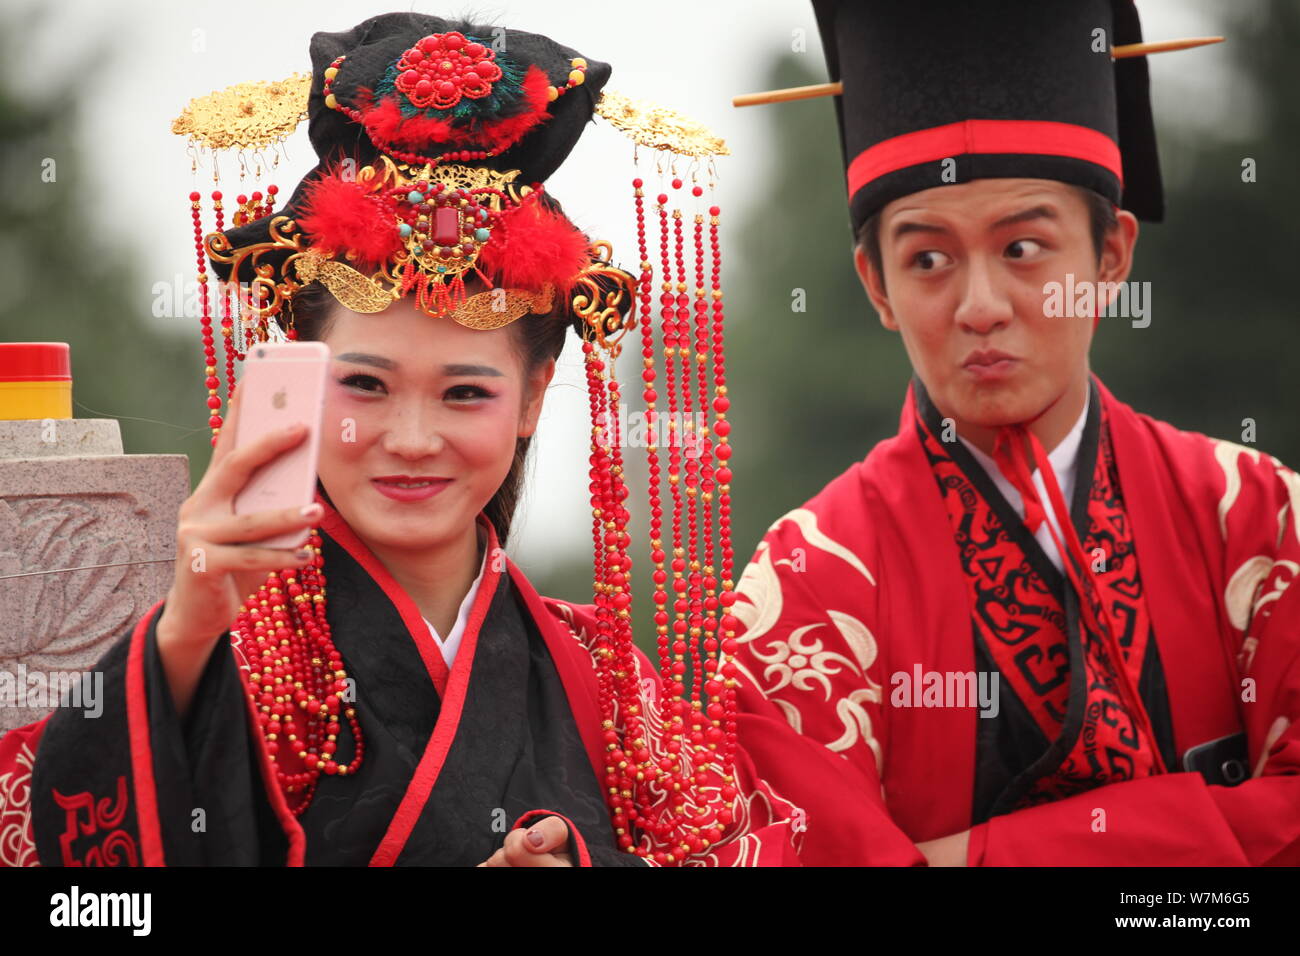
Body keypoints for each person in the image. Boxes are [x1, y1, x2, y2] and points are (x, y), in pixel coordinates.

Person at [0, 12, 800, 868]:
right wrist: (186, 636)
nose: (413, 439)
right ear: (297, 375)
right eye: (366, 385)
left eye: (464, 393)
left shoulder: (602, 678)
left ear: (532, 397)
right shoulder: (204, 650)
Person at [729, 0, 1300, 865]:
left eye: (1025, 248)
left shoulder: (1258, 519)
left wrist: (971, 854)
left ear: (1112, 256)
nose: (982, 307)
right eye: (927, 259)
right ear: (874, 284)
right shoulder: (808, 582)